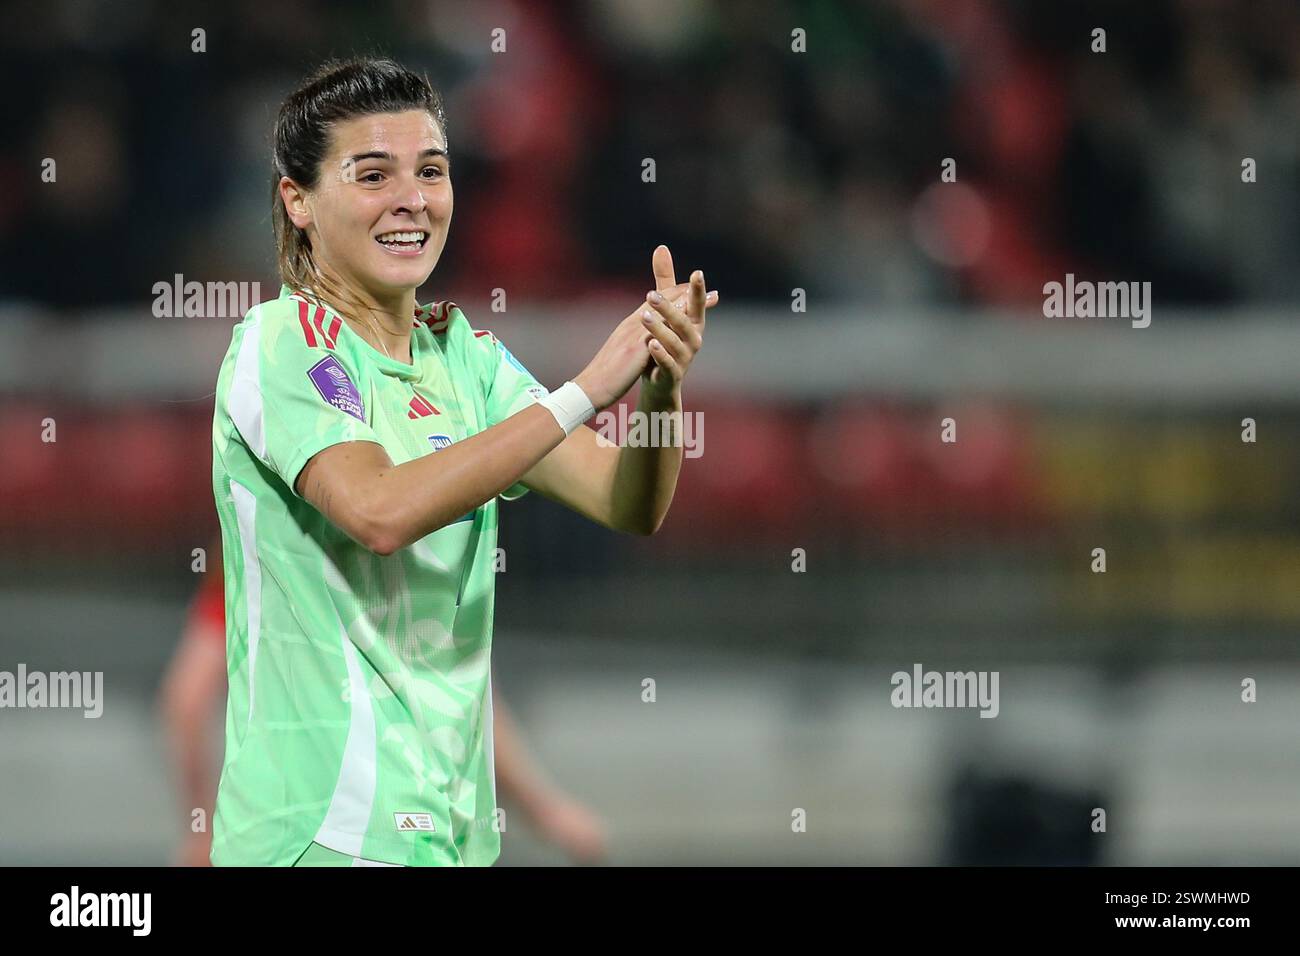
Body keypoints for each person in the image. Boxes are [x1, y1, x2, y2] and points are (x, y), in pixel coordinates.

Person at [209, 57, 716, 866]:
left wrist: (660, 383)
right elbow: (377, 511)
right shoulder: (280, 342)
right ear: (297, 201)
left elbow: (629, 501)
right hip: (323, 831)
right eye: (373, 174)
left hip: (448, 832)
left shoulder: (467, 362)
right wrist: (586, 389)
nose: (411, 199)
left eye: (431, 171)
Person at [159, 546, 609, 866]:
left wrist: (201, 829)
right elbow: (461, 703)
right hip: (386, 827)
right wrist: (547, 811)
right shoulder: (397, 567)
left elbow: (185, 698)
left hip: (282, 831)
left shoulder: (264, 552)